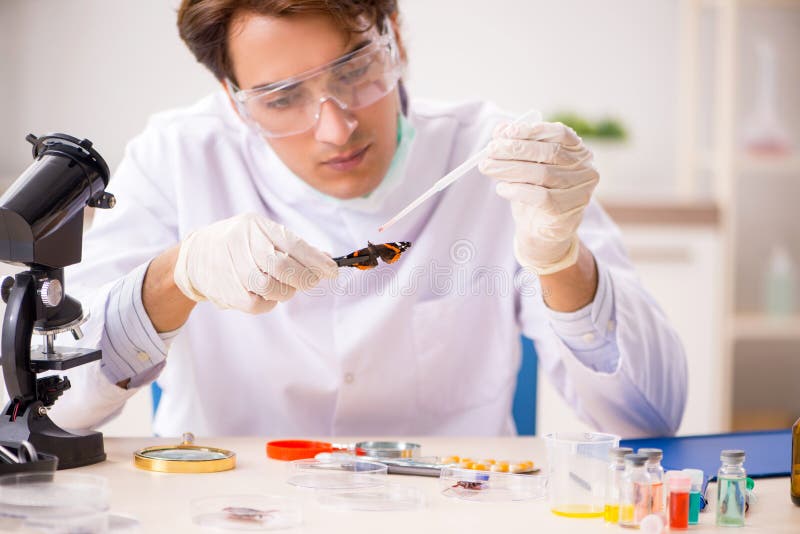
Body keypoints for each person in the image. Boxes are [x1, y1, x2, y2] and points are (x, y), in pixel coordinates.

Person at [49, 0, 686, 438]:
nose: (336, 128)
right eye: (281, 98)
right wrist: (175, 277)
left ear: (396, 38)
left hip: (455, 510)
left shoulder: (499, 158)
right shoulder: (178, 159)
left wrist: (560, 259)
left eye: (354, 70)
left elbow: (651, 417)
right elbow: (56, 403)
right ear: (232, 100)